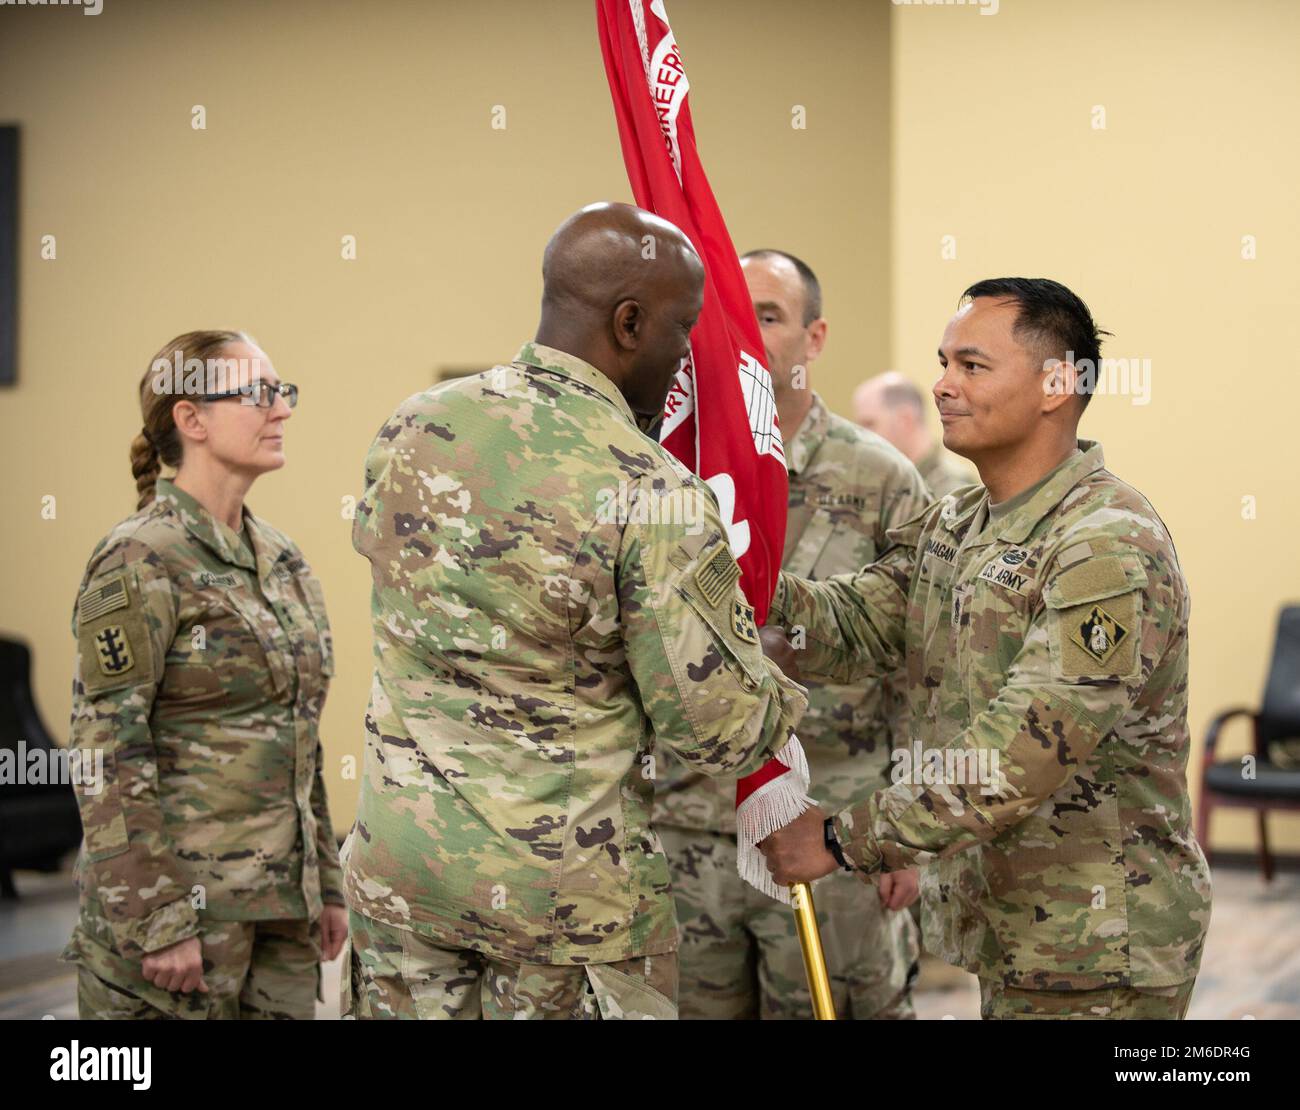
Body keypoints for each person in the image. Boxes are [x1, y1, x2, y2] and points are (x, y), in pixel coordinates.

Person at [342, 202, 807, 1020]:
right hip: (561, 913)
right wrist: (773, 680)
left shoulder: (416, 424)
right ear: (630, 323)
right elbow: (718, 730)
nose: (689, 355)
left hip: (405, 879)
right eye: (683, 328)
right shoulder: (649, 488)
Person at [760, 278, 1211, 1020]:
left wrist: (842, 839)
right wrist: (745, 575)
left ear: (1058, 385)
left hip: (1098, 944)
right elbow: (855, 620)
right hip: (1012, 926)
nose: (942, 386)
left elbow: (1022, 749)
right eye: (943, 363)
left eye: (972, 366)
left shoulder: (1104, 541)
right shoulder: (959, 525)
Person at [654, 248, 928, 1019]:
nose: (743, 333)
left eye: (767, 316)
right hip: (689, 830)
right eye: (727, 315)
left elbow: (921, 664)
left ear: (814, 339)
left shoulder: (880, 480)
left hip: (826, 824)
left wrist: (900, 835)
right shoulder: (672, 474)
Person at [62, 330, 347, 1019]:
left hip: (279, 918)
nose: (281, 410)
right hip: (178, 927)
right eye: (258, 394)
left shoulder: (281, 558)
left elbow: (299, 736)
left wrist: (326, 885)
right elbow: (106, 754)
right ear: (191, 419)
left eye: (283, 393)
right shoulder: (140, 558)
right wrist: (158, 917)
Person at [853, 371, 975, 496]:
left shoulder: (950, 489)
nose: (861, 435)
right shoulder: (897, 480)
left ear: (905, 420)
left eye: (869, 424)